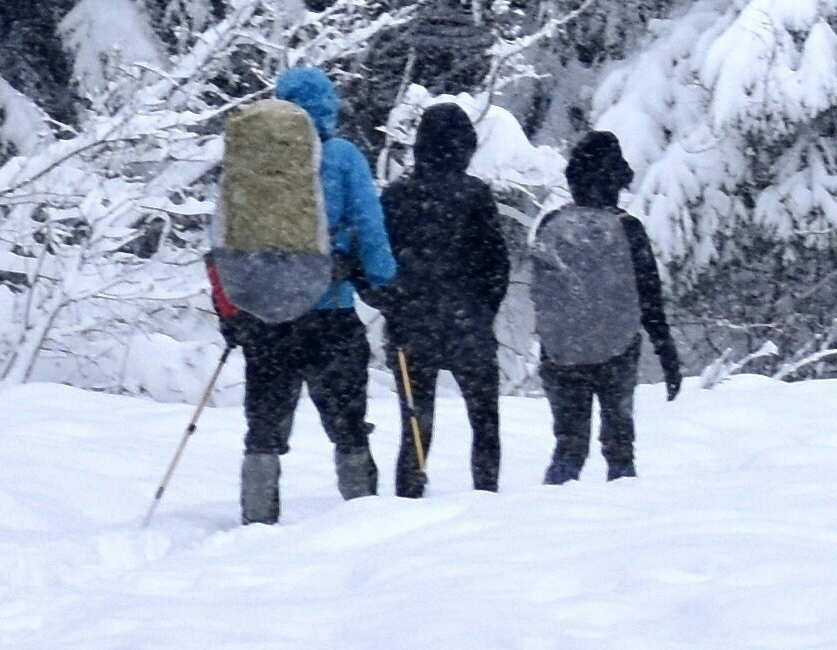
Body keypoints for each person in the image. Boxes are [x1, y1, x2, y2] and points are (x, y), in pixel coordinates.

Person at [203, 65, 395, 523]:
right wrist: (386, 285)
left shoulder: (249, 162)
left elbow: (221, 236)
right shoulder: (344, 157)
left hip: (265, 315)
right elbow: (371, 229)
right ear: (329, 108)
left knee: (264, 429)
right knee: (348, 426)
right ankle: (364, 516)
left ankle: (257, 520)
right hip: (330, 311)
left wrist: (231, 309)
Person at [525, 130, 681, 482]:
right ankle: (621, 515)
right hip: (618, 350)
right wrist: (665, 350)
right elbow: (650, 299)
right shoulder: (628, 229)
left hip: (563, 353)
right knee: (619, 442)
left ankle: (548, 516)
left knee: (569, 445)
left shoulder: (551, 225)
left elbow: (539, 292)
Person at [377, 102, 516, 494]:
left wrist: (392, 305)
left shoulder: (396, 196)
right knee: (485, 422)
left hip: (411, 328)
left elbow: (374, 262)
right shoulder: (475, 195)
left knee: (416, 428)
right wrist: (482, 310)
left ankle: (407, 499)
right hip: (467, 325)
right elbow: (497, 265)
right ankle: (486, 498)